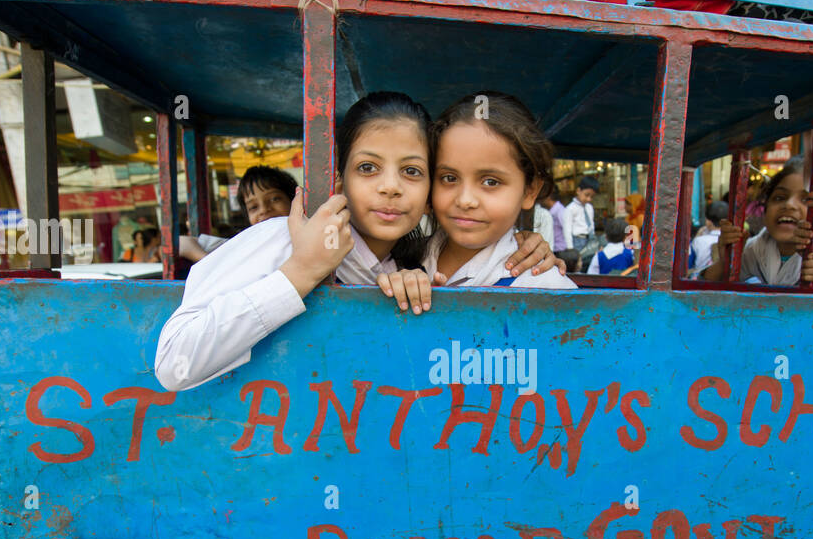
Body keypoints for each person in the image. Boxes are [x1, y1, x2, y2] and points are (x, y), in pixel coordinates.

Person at [155, 91, 561, 391]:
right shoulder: (285, 237)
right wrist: (300, 273)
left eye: (412, 171)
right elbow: (175, 363)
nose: (390, 187)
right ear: (338, 180)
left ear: (426, 193)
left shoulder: (400, 264)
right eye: (368, 168)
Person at [394, 90, 576, 293]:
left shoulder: (547, 289)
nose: (465, 200)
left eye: (490, 182)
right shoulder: (393, 261)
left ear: (530, 191)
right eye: (449, 178)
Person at [710, 158, 813, 289]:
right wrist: (727, 259)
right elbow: (711, 283)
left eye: (806, 200)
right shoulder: (757, 247)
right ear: (765, 209)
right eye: (779, 197)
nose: (789, 205)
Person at [177, 166, 298, 264]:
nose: (264, 210)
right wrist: (209, 263)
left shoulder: (303, 240)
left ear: (294, 201)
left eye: (274, 199)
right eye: (253, 207)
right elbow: (181, 243)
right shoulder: (244, 245)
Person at [686, 200, 726, 279]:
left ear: (708, 221)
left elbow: (688, 266)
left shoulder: (698, 241)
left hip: (700, 282)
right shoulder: (731, 240)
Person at [561, 176, 597, 254]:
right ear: (578, 191)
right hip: (577, 241)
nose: (589, 199)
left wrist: (593, 239)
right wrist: (570, 249)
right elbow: (567, 230)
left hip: (589, 239)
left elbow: (591, 224)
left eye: (592, 197)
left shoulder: (589, 207)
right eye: (586, 195)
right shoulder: (570, 209)